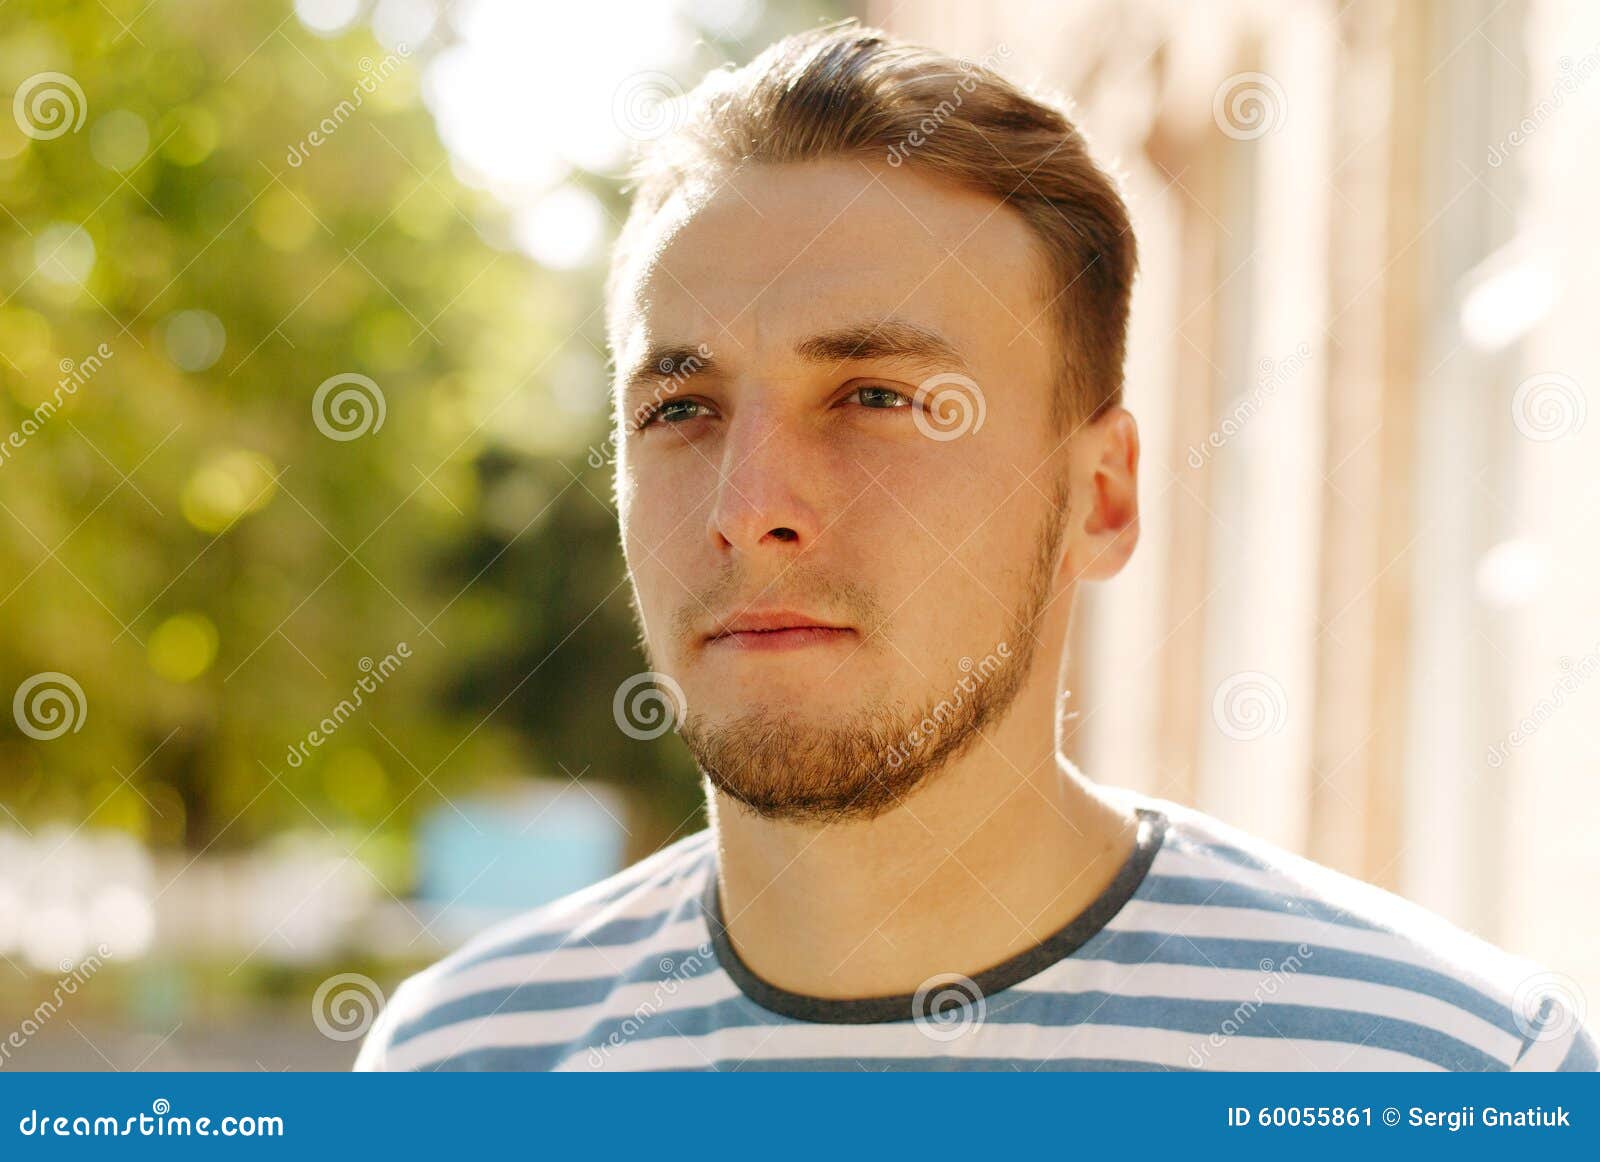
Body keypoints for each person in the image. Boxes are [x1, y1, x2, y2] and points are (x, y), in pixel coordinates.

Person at [356, 23, 1595, 1072]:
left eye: (876, 396)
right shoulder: (456, 1064)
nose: (749, 503)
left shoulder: (1451, 1070)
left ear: (1100, 497)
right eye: (681, 408)